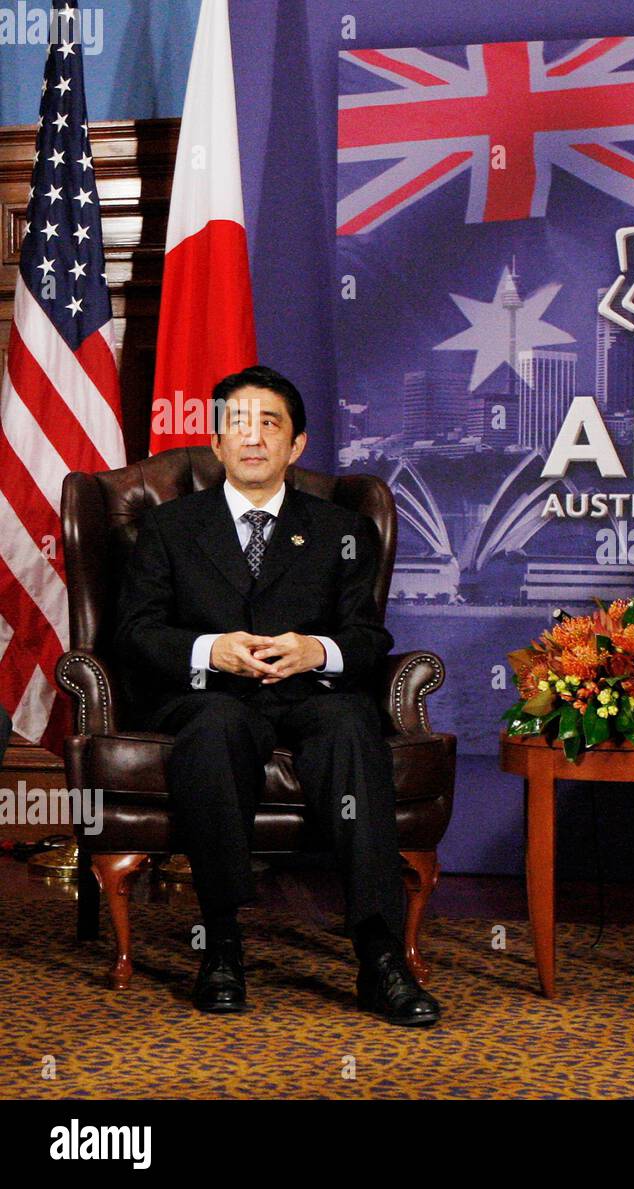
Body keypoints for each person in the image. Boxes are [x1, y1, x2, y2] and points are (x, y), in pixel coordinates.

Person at [115, 365, 440, 1025]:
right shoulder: (171, 527)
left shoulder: (341, 528)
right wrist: (211, 649)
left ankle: (380, 956)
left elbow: (369, 639)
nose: (253, 437)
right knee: (215, 728)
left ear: (296, 445)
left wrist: (316, 651)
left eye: (270, 423)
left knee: (352, 726)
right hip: (208, 692)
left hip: (310, 693)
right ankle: (222, 943)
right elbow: (135, 632)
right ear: (216, 441)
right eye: (238, 422)